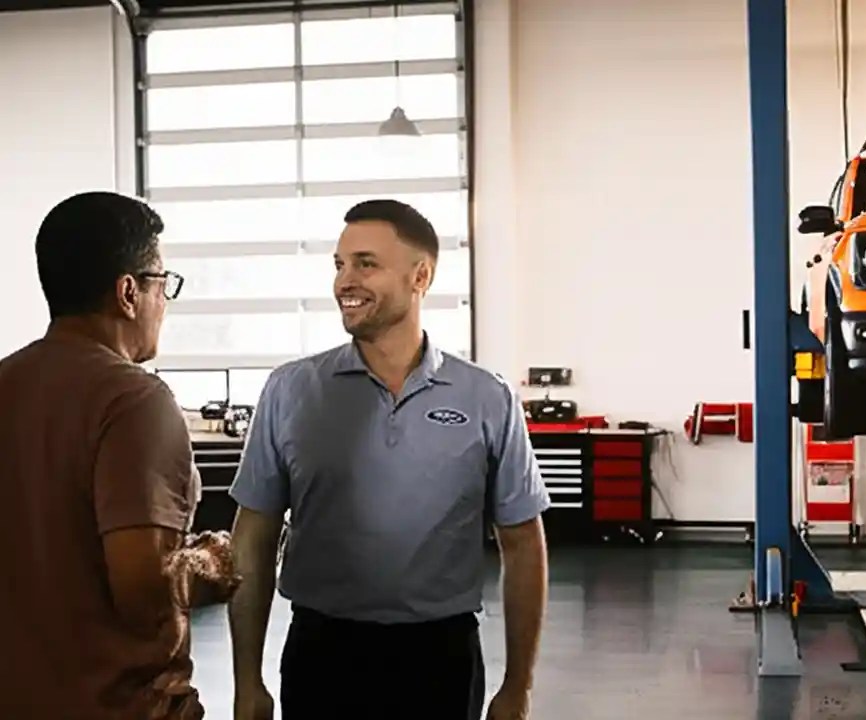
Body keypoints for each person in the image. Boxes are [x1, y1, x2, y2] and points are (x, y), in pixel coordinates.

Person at [228, 199, 550, 720]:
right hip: (321, 655)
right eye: (339, 264)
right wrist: (247, 682)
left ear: (420, 276)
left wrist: (519, 687)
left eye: (365, 263)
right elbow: (254, 536)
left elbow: (523, 544)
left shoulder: (486, 397)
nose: (344, 281)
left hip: (441, 660)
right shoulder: (291, 390)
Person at [0, 191, 239, 719]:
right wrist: (216, 560)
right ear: (129, 292)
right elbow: (144, 595)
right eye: (163, 284)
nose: (164, 303)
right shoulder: (135, 401)